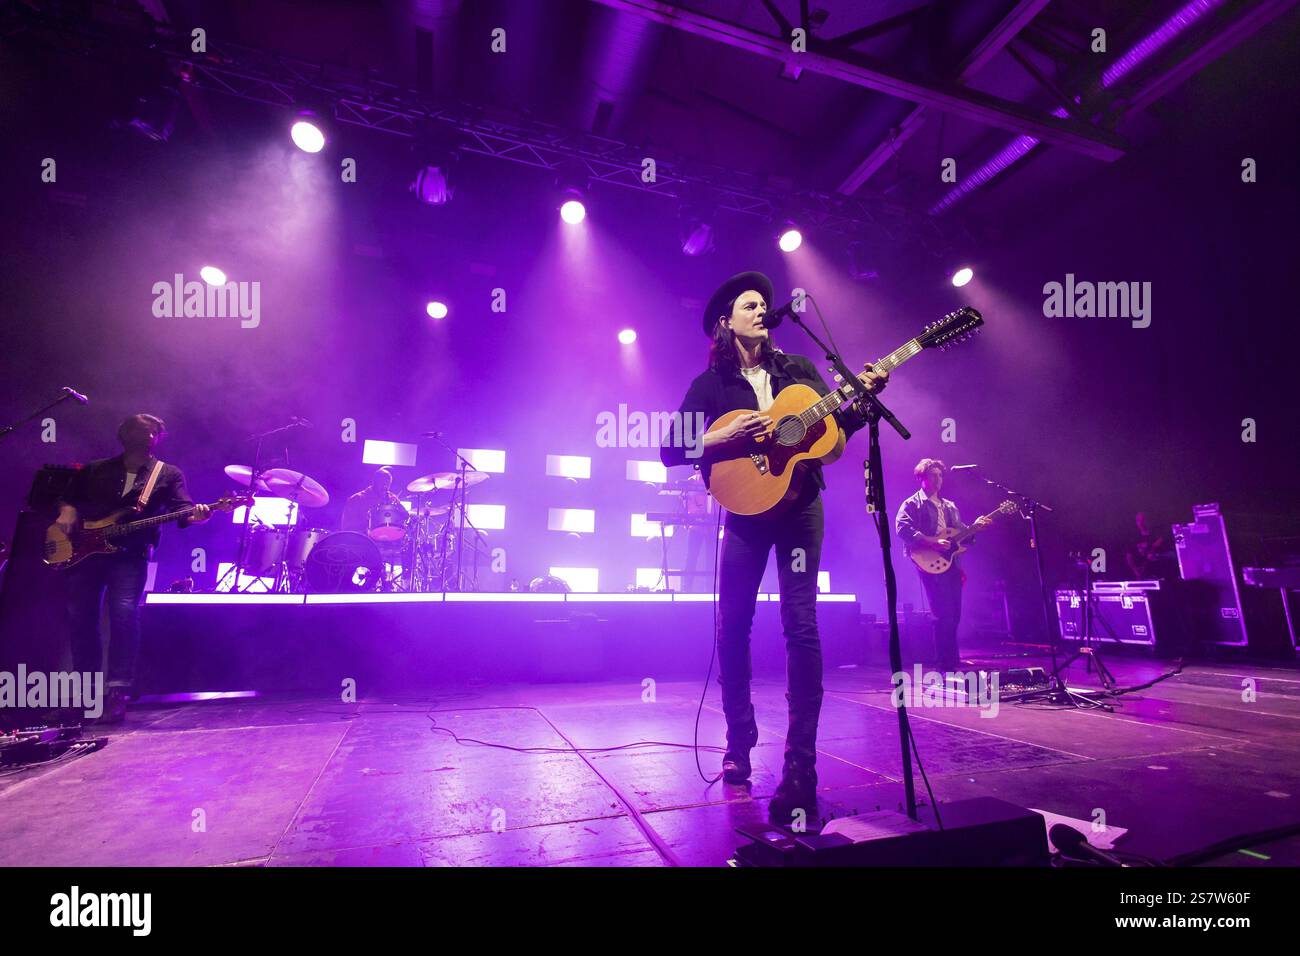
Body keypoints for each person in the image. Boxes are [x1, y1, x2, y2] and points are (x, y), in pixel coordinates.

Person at [660, 271, 887, 823]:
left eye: (765, 303)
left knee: (801, 623)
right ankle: (739, 740)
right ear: (726, 320)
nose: (763, 309)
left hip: (801, 503)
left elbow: (829, 435)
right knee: (731, 625)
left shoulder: (800, 372)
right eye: (750, 304)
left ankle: (800, 761)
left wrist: (859, 405)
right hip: (744, 514)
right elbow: (671, 447)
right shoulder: (711, 385)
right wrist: (727, 436)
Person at [55, 414, 210, 722]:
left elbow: (182, 509)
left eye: (154, 431)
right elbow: (67, 497)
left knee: (124, 615)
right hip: (85, 553)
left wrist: (197, 515)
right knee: (81, 621)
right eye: (141, 428)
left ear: (158, 438)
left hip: (131, 554)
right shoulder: (97, 469)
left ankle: (117, 693)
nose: (148, 434)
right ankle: (83, 695)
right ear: (124, 434)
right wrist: (67, 513)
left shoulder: (166, 474)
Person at [894, 458, 990, 670]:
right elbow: (903, 529)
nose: (938, 479)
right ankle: (944, 663)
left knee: (954, 613)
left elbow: (960, 535)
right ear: (921, 478)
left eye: (940, 475)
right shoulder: (912, 504)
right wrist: (932, 541)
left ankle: (952, 659)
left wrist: (975, 528)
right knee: (942, 613)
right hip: (929, 562)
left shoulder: (950, 506)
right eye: (933, 475)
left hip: (952, 563)